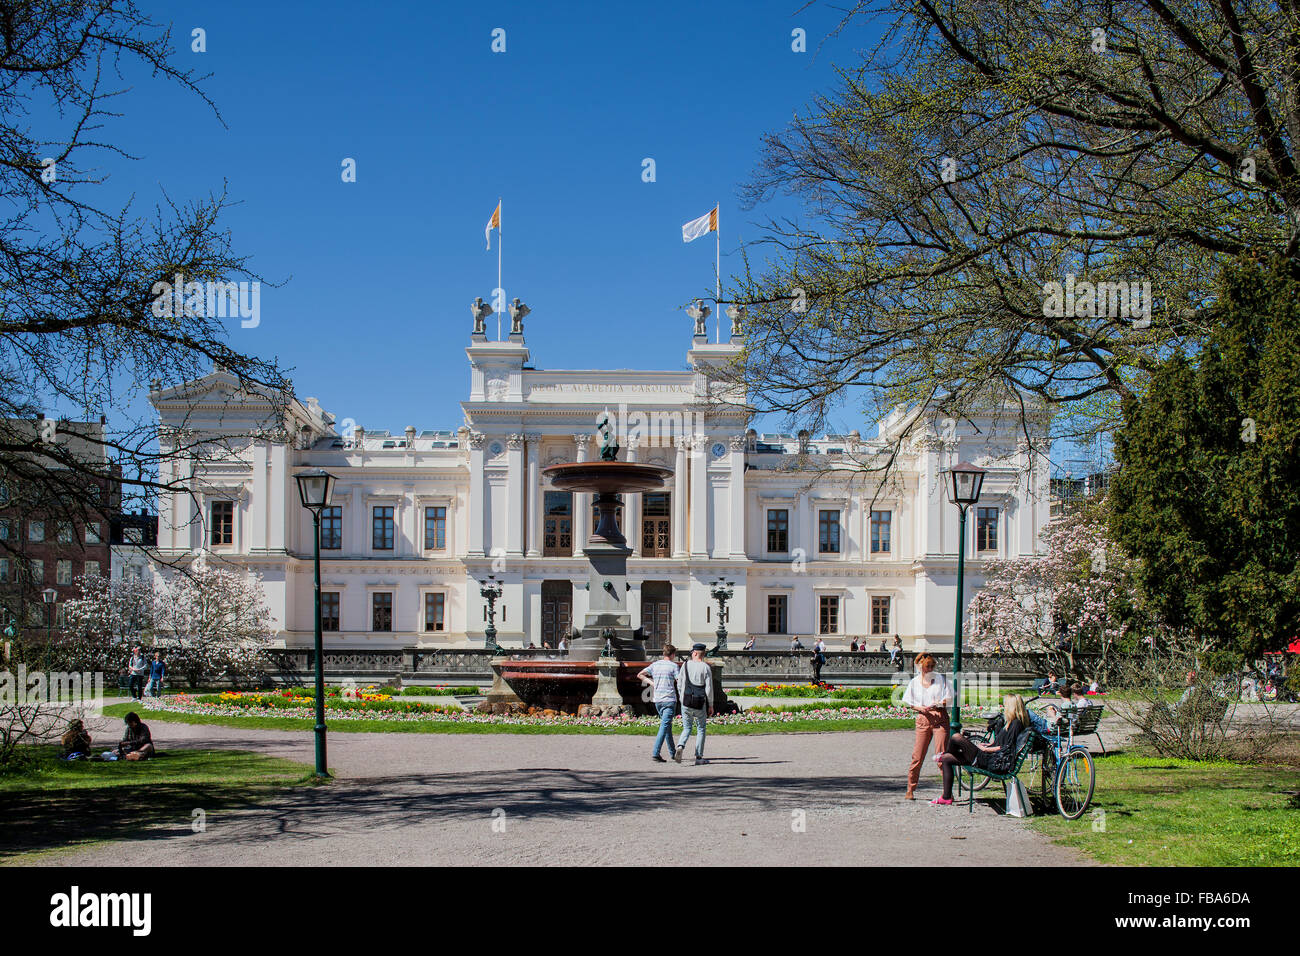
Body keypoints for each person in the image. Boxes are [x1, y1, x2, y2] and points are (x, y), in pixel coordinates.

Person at [932, 695, 1029, 805]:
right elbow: (1001, 743)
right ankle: (946, 797)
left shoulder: (1016, 724)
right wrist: (988, 745)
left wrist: (986, 749)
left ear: (1012, 707)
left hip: (991, 761)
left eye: (1006, 704)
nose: (1004, 707)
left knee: (956, 737)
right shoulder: (1011, 723)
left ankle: (945, 752)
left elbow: (1006, 748)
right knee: (946, 759)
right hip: (990, 758)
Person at [901, 653, 953, 800]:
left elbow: (949, 698)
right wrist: (920, 708)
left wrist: (939, 703)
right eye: (926, 667)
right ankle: (910, 789)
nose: (929, 669)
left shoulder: (941, 680)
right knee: (917, 756)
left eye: (931, 666)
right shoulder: (914, 682)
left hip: (939, 718)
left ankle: (947, 792)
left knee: (942, 756)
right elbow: (910, 703)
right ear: (920, 667)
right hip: (923, 719)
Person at [638, 643, 680, 763]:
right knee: (664, 726)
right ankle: (656, 753)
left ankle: (673, 753)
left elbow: (640, 675)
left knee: (667, 727)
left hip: (657, 700)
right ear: (673, 654)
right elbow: (679, 680)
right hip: (669, 699)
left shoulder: (654, 665)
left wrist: (652, 683)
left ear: (663, 653)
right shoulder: (674, 666)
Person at [674, 643, 714, 765]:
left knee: (687, 727)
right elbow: (709, 688)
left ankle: (680, 745)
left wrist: (681, 698)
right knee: (701, 728)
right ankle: (698, 756)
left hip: (686, 701)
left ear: (695, 653)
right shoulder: (706, 667)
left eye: (692, 652)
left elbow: (680, 683)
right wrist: (710, 704)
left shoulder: (685, 665)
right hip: (699, 702)